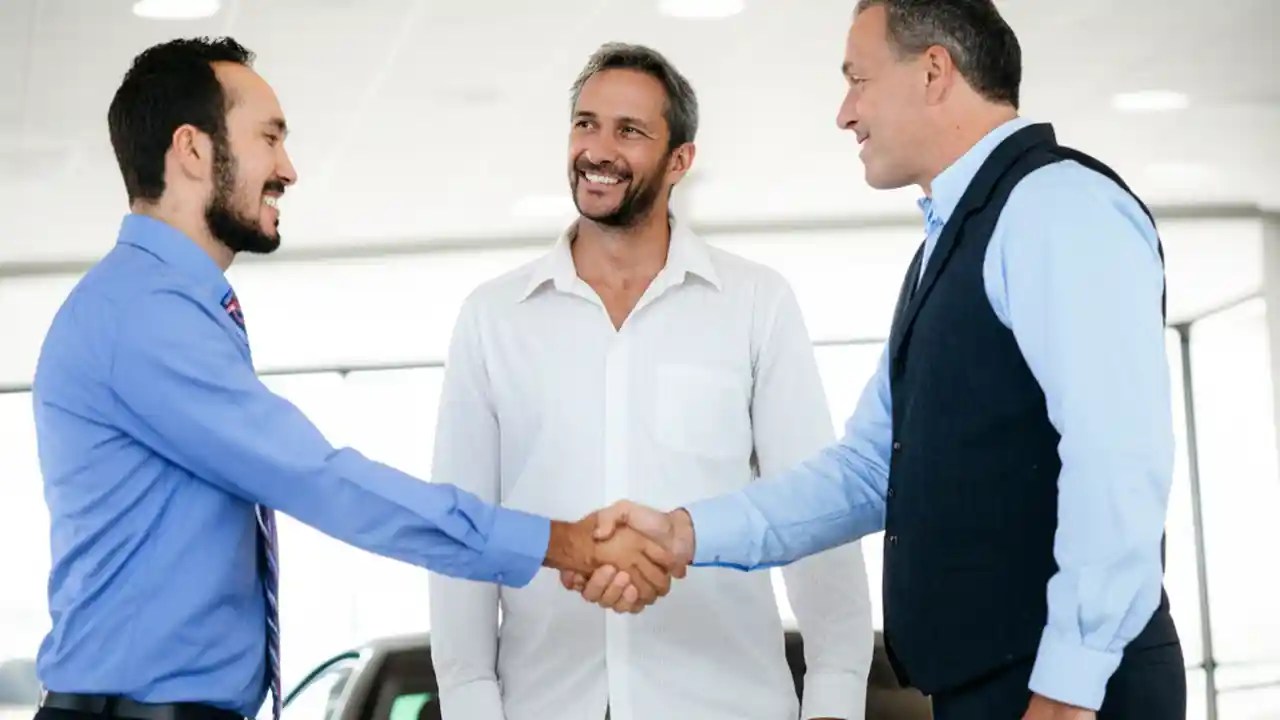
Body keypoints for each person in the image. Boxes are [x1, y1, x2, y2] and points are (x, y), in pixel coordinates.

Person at [29, 37, 676, 720]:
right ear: (193, 150)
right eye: (270, 138)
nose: (288, 168)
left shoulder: (159, 304)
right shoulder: (143, 315)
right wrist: (559, 541)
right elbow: (323, 480)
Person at [573, 2, 1186, 719]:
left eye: (858, 80)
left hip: (1069, 695)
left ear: (933, 71)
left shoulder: (1057, 208)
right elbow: (869, 470)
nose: (845, 112)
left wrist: (1067, 691)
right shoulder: (950, 246)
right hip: (999, 688)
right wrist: (684, 532)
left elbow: (1117, 459)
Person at [427, 42, 873, 720]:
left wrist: (834, 700)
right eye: (586, 123)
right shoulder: (492, 318)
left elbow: (813, 509)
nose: (598, 149)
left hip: (729, 703)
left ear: (679, 161)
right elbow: (462, 528)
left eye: (629, 131)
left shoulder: (756, 303)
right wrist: (470, 704)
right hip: (546, 703)